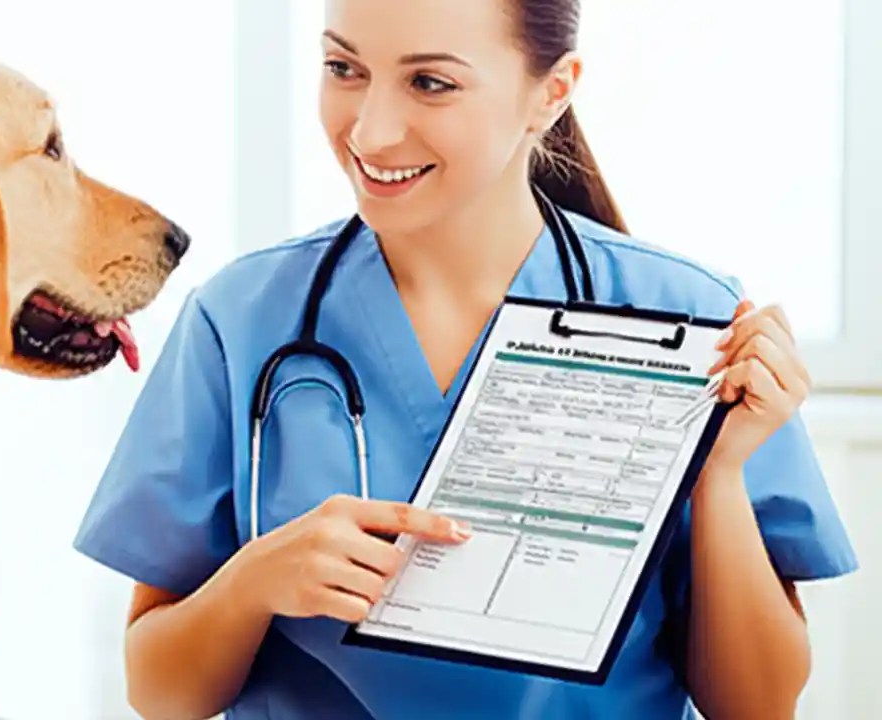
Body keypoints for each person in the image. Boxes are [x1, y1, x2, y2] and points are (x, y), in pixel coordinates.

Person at [72, 0, 859, 717]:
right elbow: (161, 693)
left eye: (432, 84)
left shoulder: (691, 323)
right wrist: (255, 582)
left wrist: (718, 475)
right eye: (345, 69)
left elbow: (755, 706)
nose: (371, 131)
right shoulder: (239, 322)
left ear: (552, 92)